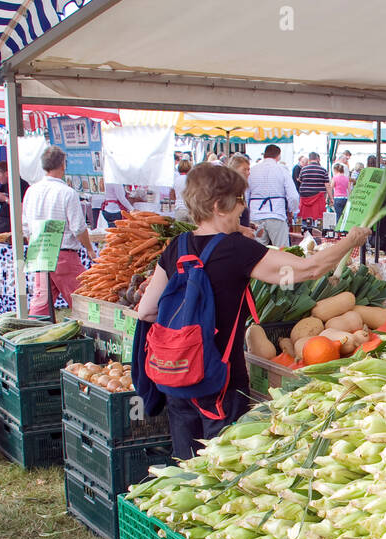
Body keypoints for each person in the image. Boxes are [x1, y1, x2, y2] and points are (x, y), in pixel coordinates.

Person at [135, 162, 369, 458]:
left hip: (174, 374)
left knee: (186, 467)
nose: (242, 209)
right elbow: (309, 270)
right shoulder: (236, 250)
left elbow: (146, 311)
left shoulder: (177, 246)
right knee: (220, 466)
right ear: (220, 205)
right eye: (239, 201)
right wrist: (351, 240)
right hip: (218, 380)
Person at [21, 146, 97, 319]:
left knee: (40, 305)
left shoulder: (31, 191)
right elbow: (78, 227)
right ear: (63, 165)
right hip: (62, 253)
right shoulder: (67, 193)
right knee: (83, 299)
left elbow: (25, 227)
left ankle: (33, 334)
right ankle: (91, 334)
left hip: (39, 251)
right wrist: (90, 249)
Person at [245, 144, 298, 247]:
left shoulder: (252, 170)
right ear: (278, 156)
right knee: (282, 251)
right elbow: (293, 196)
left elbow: (246, 194)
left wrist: (247, 212)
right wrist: (292, 210)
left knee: (256, 252)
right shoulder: (282, 170)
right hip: (276, 213)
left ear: (264, 155)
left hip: (255, 215)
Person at [0, 159, 30, 235]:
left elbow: (22, 207)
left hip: (12, 222)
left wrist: (5, 199)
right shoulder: (5, 185)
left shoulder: (21, 185)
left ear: (7, 173)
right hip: (2, 220)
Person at [295, 151, 330, 233]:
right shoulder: (323, 170)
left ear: (309, 159)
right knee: (318, 219)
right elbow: (327, 185)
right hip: (318, 196)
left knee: (304, 217)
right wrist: (331, 198)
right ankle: (317, 234)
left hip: (304, 197)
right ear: (317, 159)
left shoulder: (303, 169)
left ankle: (304, 234)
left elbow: (300, 179)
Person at [224, 154, 256, 238]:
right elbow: (225, 221)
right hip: (232, 239)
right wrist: (243, 229)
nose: (248, 173)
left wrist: (249, 225)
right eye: (244, 170)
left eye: (248, 169)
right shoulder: (228, 191)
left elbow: (236, 219)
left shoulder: (240, 190)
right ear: (234, 170)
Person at [330, 162, 351, 230]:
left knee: (338, 216)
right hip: (345, 198)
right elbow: (349, 189)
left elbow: (331, 187)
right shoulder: (346, 178)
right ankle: (343, 229)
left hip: (337, 198)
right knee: (344, 216)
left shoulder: (335, 178)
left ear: (336, 170)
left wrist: (329, 198)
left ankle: (338, 230)